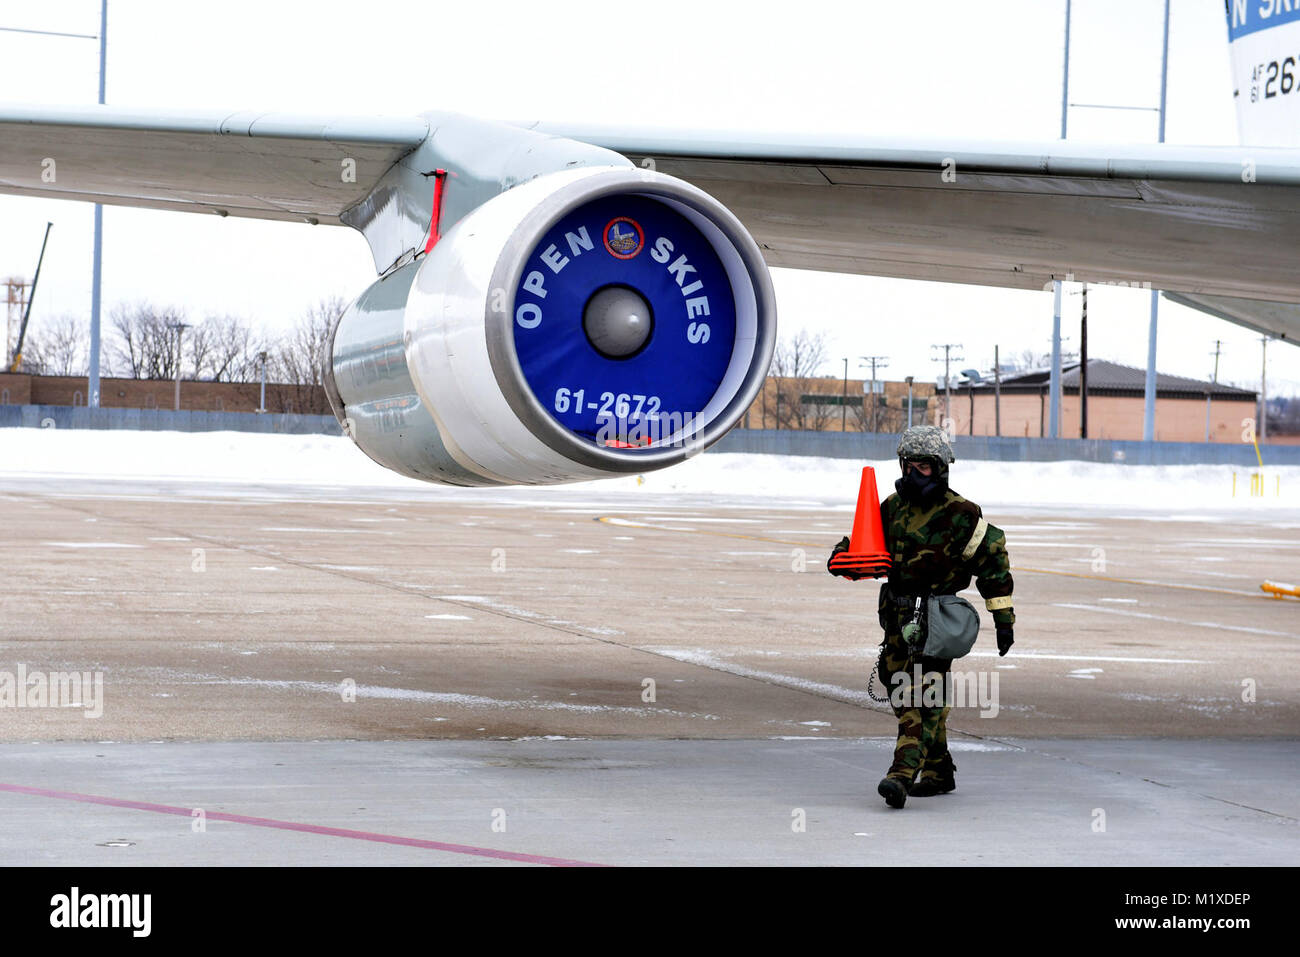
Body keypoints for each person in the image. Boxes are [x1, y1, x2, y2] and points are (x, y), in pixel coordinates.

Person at [828, 425, 1015, 809]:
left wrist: (1004, 619)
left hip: (937, 619)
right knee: (898, 685)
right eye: (909, 465)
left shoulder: (962, 513)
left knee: (924, 696)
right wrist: (843, 558)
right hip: (897, 618)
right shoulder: (891, 508)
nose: (914, 474)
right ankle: (938, 770)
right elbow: (864, 546)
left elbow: (993, 564)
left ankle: (901, 772)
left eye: (924, 467)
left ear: (941, 468)